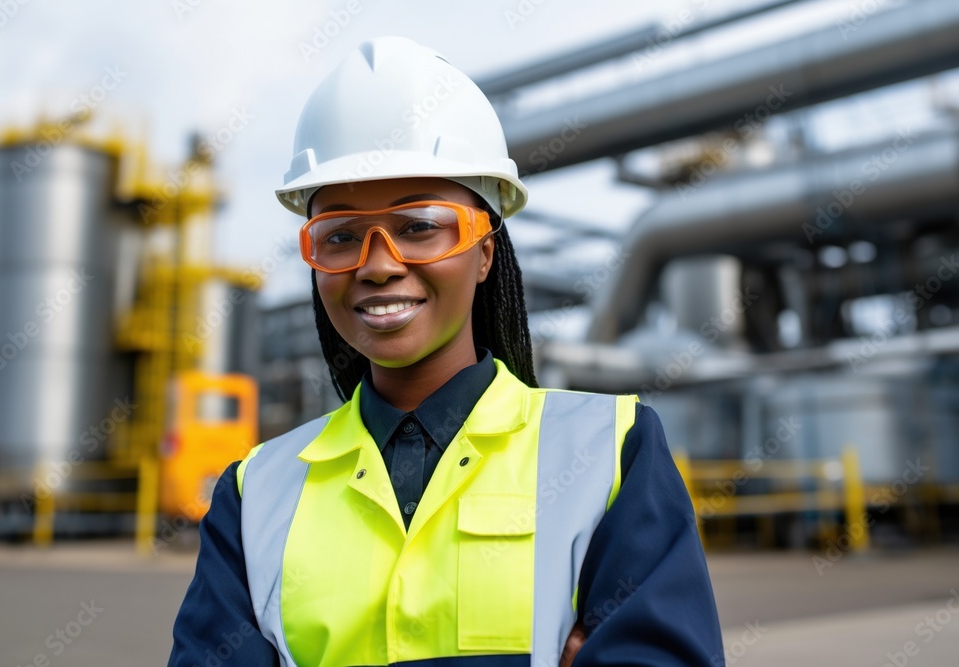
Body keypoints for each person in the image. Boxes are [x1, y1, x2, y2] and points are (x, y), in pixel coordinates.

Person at [168, 36, 723, 667]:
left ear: (486, 252)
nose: (378, 265)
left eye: (419, 226)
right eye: (341, 235)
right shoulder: (257, 492)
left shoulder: (611, 452)